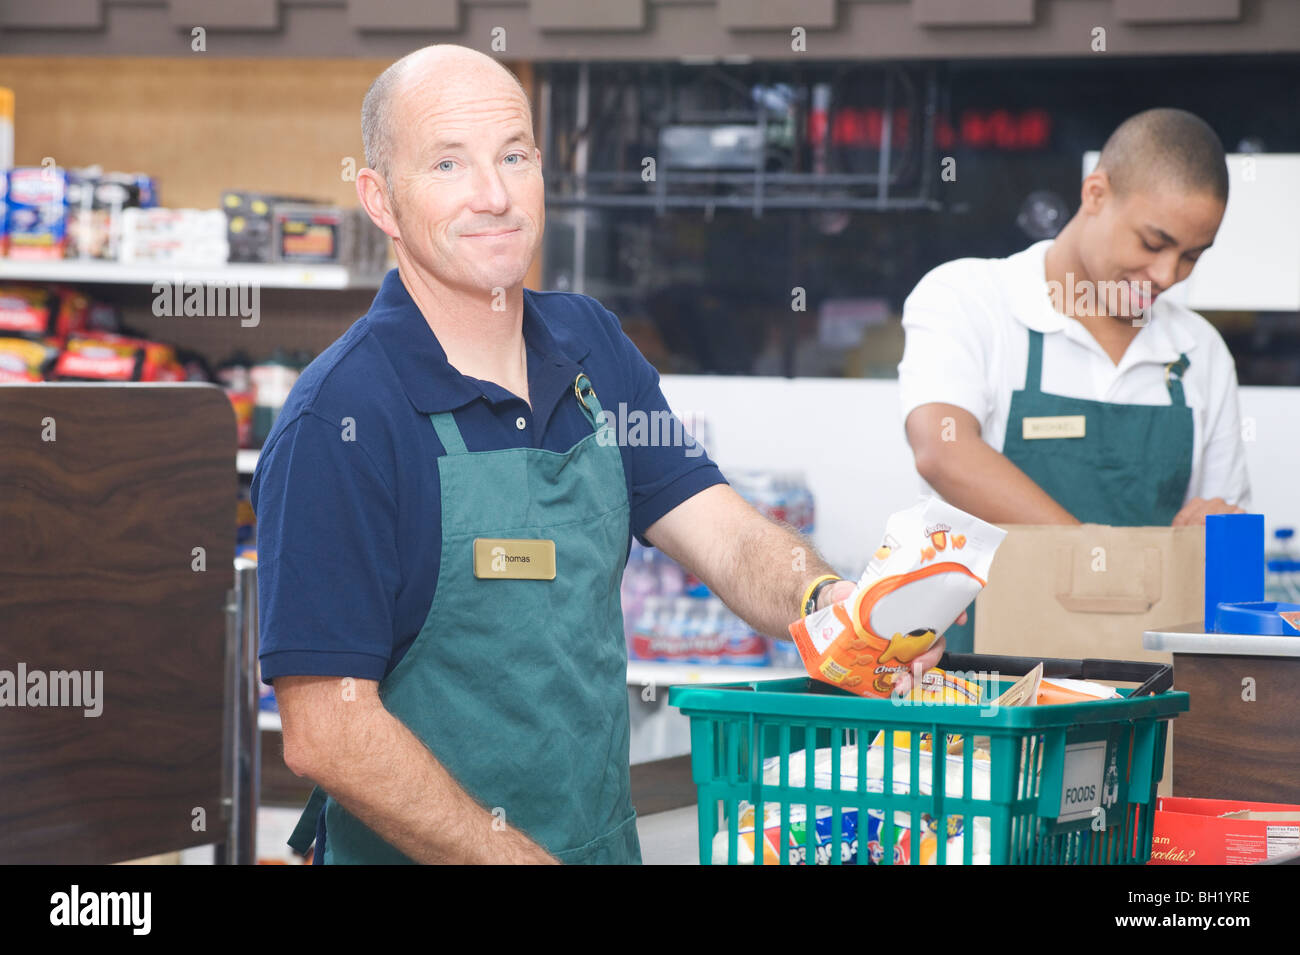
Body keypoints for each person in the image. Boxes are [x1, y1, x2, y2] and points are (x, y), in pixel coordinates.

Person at [253, 45, 887, 865]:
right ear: (380, 199)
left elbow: (723, 535)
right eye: (449, 163)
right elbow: (327, 730)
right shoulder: (340, 417)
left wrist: (838, 609)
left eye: (515, 156)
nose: (495, 194)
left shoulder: (590, 347)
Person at [899, 108, 1249, 651]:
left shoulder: (1200, 352)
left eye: (1191, 257)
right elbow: (943, 452)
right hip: (980, 685)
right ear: (1095, 193)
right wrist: (1097, 563)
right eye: (1154, 243)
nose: (1167, 276)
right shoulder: (969, 298)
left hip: (1137, 683)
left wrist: (1217, 534)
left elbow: (1224, 552)